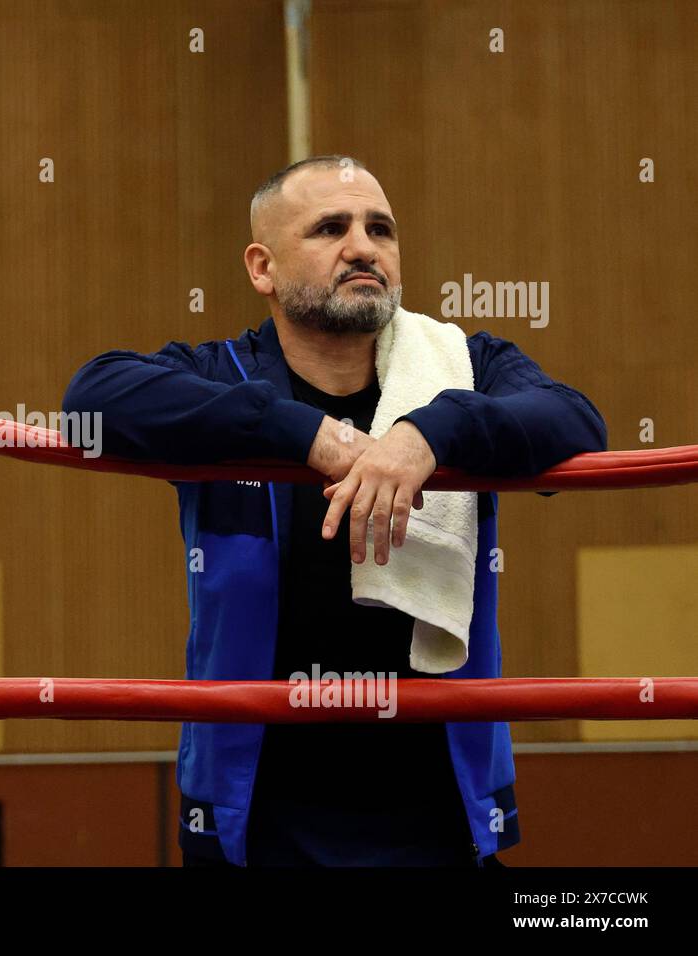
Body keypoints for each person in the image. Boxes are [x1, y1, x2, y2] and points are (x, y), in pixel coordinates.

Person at [60, 155, 607, 867]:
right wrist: (301, 433)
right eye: (330, 228)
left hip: (439, 802)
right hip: (258, 810)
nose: (363, 247)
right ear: (263, 268)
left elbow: (576, 422)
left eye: (380, 228)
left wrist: (427, 434)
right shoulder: (221, 374)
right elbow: (90, 398)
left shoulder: (461, 366)